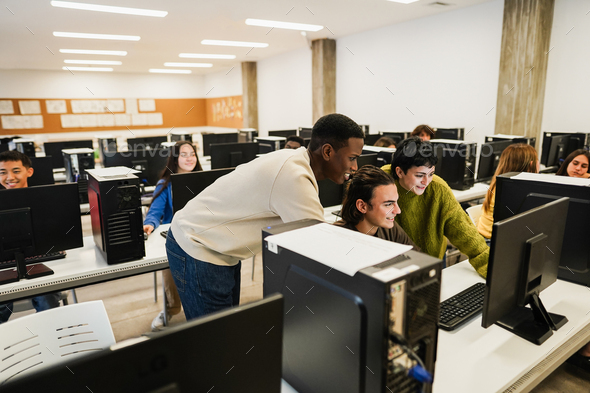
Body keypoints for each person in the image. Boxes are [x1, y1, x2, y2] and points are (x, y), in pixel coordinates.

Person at [168, 113, 365, 320]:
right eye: (352, 158)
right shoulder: (293, 176)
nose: (354, 167)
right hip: (197, 245)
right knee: (215, 338)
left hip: (218, 247)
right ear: (327, 151)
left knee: (225, 329)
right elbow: (320, 246)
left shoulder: (295, 159)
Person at [381, 137, 489, 277]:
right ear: (400, 172)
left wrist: (492, 270)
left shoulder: (438, 189)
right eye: (420, 175)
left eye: (431, 174)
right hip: (390, 267)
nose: (426, 182)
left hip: (431, 261)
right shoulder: (382, 183)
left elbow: (464, 232)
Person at [143, 141, 202, 331]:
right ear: (174, 159)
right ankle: (170, 308)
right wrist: (149, 224)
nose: (189, 158)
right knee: (172, 261)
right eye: (183, 154)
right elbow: (155, 212)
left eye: (192, 153)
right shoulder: (166, 183)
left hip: (200, 235)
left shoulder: (204, 180)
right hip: (174, 236)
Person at [0, 150, 61, 324]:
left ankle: (53, 339)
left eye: (16, 171)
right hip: (4, 266)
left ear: (29, 171)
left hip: (41, 262)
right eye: (3, 172)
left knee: (46, 299)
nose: (9, 177)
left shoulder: (46, 200)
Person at [334, 165, 419, 249]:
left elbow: (420, 258)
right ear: (362, 206)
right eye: (388, 204)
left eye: (396, 202)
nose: (398, 211)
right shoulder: (335, 237)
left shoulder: (389, 228)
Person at [477, 144, 539, 240]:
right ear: (531, 164)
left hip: (486, 237)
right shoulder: (513, 190)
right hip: (491, 243)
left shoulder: (503, 183)